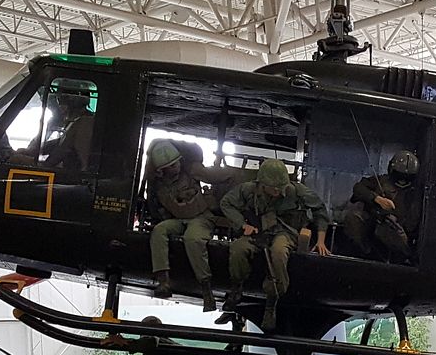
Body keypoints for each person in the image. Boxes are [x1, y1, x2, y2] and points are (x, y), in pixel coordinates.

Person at [221, 158, 329, 330]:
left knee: (279, 253)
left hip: (285, 233)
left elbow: (320, 210)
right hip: (258, 232)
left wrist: (321, 240)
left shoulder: (297, 191)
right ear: (262, 183)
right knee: (238, 248)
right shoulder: (249, 190)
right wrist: (242, 224)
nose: (278, 191)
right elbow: (227, 203)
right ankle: (236, 289)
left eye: (281, 187)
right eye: (274, 188)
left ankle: (272, 303)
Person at [144, 139, 226, 310]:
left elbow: (213, 177)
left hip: (201, 218)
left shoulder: (192, 171)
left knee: (193, 239)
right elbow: (175, 209)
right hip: (179, 219)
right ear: (162, 171)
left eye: (177, 163)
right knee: (159, 230)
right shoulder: (160, 187)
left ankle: (206, 288)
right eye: (171, 166)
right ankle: (163, 280)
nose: (177, 167)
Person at [341, 151, 420, 262]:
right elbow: (358, 188)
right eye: (399, 176)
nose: (402, 180)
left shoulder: (413, 195)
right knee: (352, 218)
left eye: (407, 177)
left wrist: (393, 218)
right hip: (370, 226)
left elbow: (411, 225)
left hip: (392, 234)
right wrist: (377, 199)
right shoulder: (381, 181)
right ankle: (366, 254)